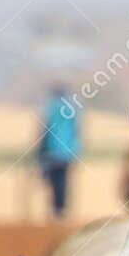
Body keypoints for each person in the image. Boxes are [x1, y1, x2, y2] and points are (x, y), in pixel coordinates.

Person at [36, 86, 80, 220]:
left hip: (51, 153)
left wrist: (40, 152)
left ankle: (56, 210)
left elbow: (45, 131)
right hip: (66, 153)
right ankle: (61, 209)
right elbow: (76, 131)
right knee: (63, 182)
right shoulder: (72, 110)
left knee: (53, 181)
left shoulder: (51, 109)